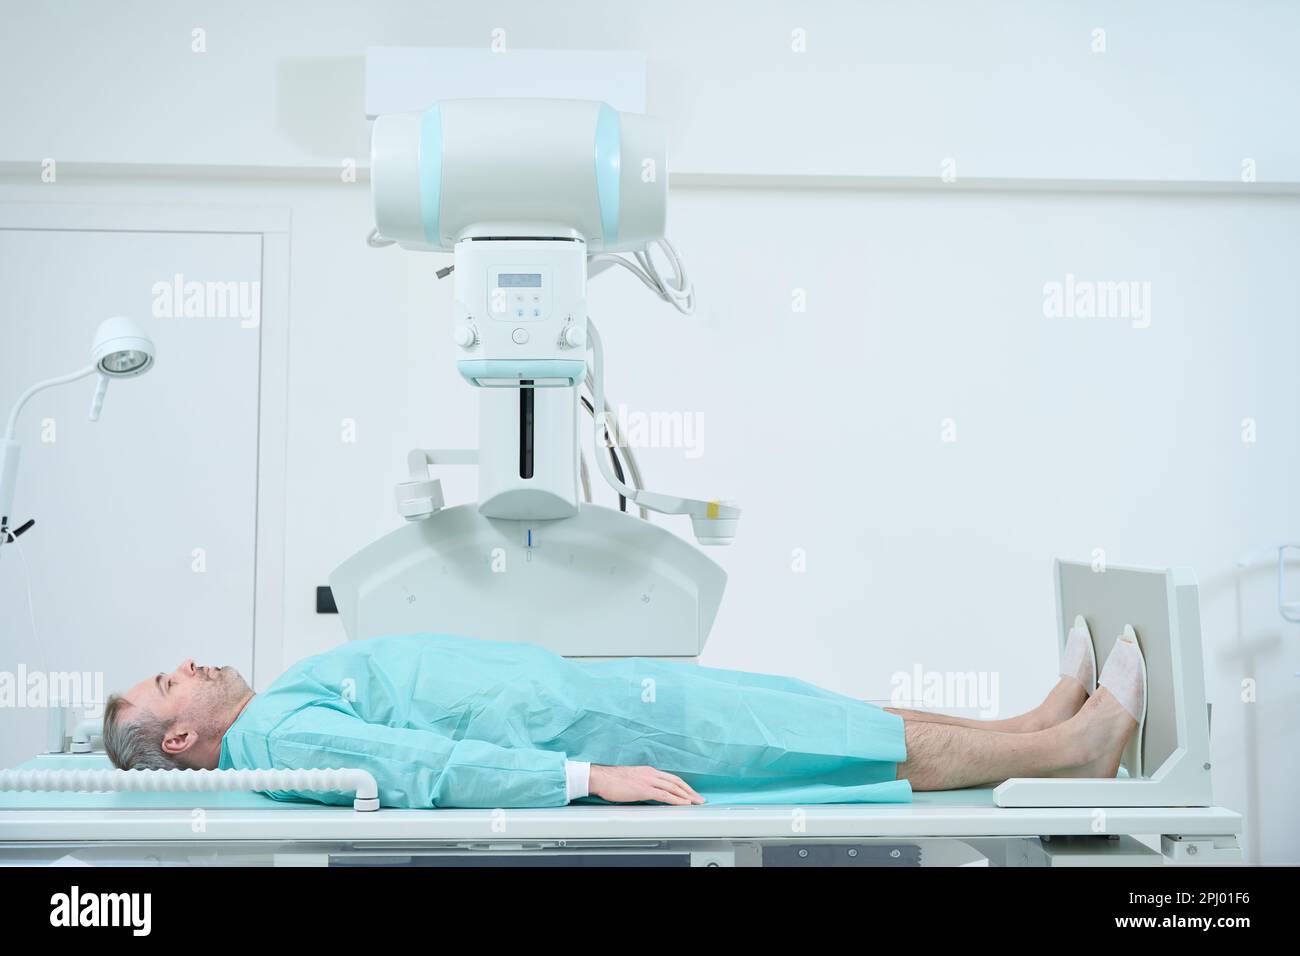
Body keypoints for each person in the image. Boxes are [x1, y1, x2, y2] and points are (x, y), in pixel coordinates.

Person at [100, 627, 1145, 808]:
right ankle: (1073, 747)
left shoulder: (278, 705)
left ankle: (1032, 722)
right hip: (599, 738)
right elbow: (421, 762)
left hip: (598, 702)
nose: (185, 664)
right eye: (165, 681)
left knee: (818, 711)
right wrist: (587, 779)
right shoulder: (281, 738)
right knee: (828, 739)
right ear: (181, 739)